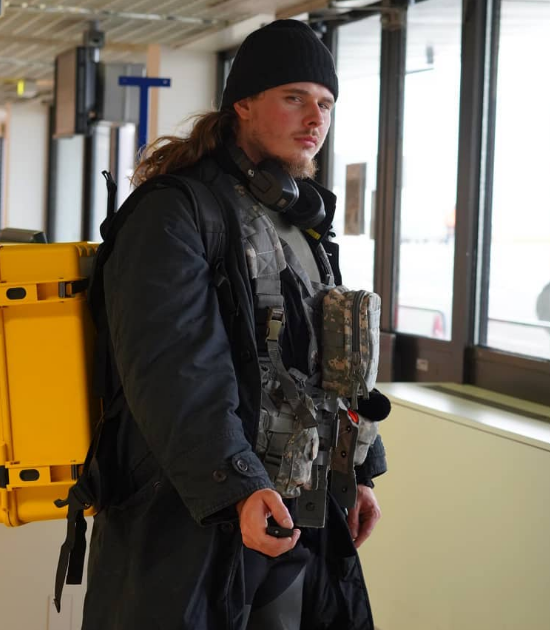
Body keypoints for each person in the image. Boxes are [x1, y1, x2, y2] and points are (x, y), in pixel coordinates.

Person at [79, 19, 389, 630]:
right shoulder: (174, 214)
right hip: (198, 517)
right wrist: (238, 486)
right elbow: (174, 371)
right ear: (243, 103)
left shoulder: (301, 222)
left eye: (325, 103)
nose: (315, 118)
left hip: (298, 511)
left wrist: (357, 473)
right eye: (294, 97)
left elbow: (326, 369)